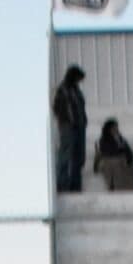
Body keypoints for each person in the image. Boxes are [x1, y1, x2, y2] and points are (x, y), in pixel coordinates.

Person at [51, 64, 87, 193]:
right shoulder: (63, 90)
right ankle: (62, 184)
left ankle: (75, 185)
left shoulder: (76, 90)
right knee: (66, 156)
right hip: (68, 127)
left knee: (79, 156)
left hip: (80, 126)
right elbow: (57, 108)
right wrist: (67, 120)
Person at [92, 118, 133, 191]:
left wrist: (128, 159)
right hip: (108, 163)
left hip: (121, 163)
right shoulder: (102, 140)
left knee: (121, 165)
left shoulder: (121, 139)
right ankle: (114, 186)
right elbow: (104, 153)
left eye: (116, 127)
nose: (116, 129)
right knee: (113, 163)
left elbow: (128, 152)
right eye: (113, 128)